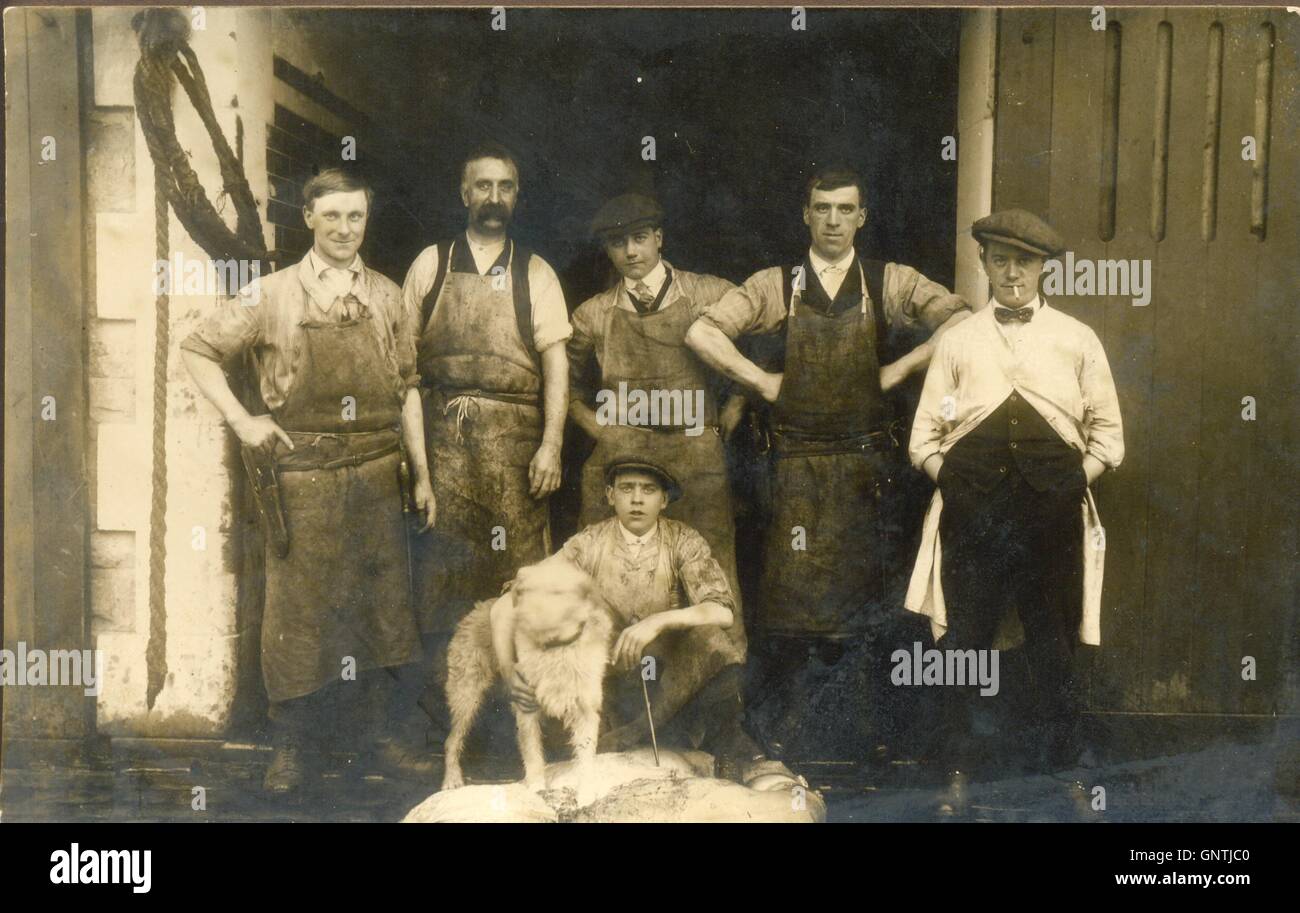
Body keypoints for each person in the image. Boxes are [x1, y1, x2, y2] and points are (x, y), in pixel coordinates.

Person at [684, 164, 970, 758]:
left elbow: (964, 318)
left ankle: (867, 743)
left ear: (862, 216)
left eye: (846, 210)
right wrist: (760, 381)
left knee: (871, 612)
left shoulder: (887, 281)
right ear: (806, 215)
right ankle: (789, 744)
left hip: (869, 472)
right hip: (792, 470)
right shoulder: (772, 284)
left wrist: (900, 367)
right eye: (823, 209)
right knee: (788, 610)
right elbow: (703, 333)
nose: (834, 221)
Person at [181, 169, 435, 793]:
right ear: (309, 220)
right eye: (333, 218)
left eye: (356, 218)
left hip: (378, 472)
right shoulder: (269, 295)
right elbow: (196, 348)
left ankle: (382, 738)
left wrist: (422, 475)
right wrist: (243, 421)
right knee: (295, 613)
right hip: (302, 475)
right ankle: (289, 747)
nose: (345, 229)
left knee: (385, 608)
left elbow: (407, 389)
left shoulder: (389, 295)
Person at [906, 209, 1124, 806]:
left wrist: (1068, 483)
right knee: (964, 642)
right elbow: (923, 437)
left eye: (1023, 262)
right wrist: (951, 479)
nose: (1011, 273)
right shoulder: (958, 340)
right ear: (983, 263)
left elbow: (1109, 437)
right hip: (973, 516)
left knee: (1053, 638)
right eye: (999, 260)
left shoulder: (1076, 339)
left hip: (1049, 516)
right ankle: (958, 771)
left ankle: (1068, 768)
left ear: (1044, 269)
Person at [497, 456, 794, 785]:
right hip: (608, 676)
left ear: (663, 499)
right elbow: (510, 601)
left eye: (648, 490)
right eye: (626, 489)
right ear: (611, 495)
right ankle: (607, 746)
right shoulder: (588, 543)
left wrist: (658, 622)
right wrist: (510, 672)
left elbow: (722, 611)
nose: (637, 499)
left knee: (714, 644)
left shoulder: (683, 540)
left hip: (669, 676)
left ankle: (726, 747)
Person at [567, 192, 747, 661]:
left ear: (660, 239)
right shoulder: (592, 315)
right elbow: (563, 386)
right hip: (622, 455)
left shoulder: (710, 293)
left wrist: (738, 403)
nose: (630, 252)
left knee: (712, 571)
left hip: (695, 454)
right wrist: (600, 429)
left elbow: (762, 340)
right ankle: (606, 691)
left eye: (640, 238)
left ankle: (720, 693)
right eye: (617, 243)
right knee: (609, 571)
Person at [401, 142, 572, 634]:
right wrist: (412, 458)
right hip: (442, 445)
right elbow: (402, 363)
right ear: (464, 193)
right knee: (440, 572)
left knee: (518, 576)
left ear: (516, 196)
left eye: (505, 187)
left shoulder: (535, 272)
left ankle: (513, 691)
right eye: (483, 186)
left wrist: (552, 446)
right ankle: (445, 692)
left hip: (514, 450)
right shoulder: (430, 264)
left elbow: (556, 364)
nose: (493, 197)